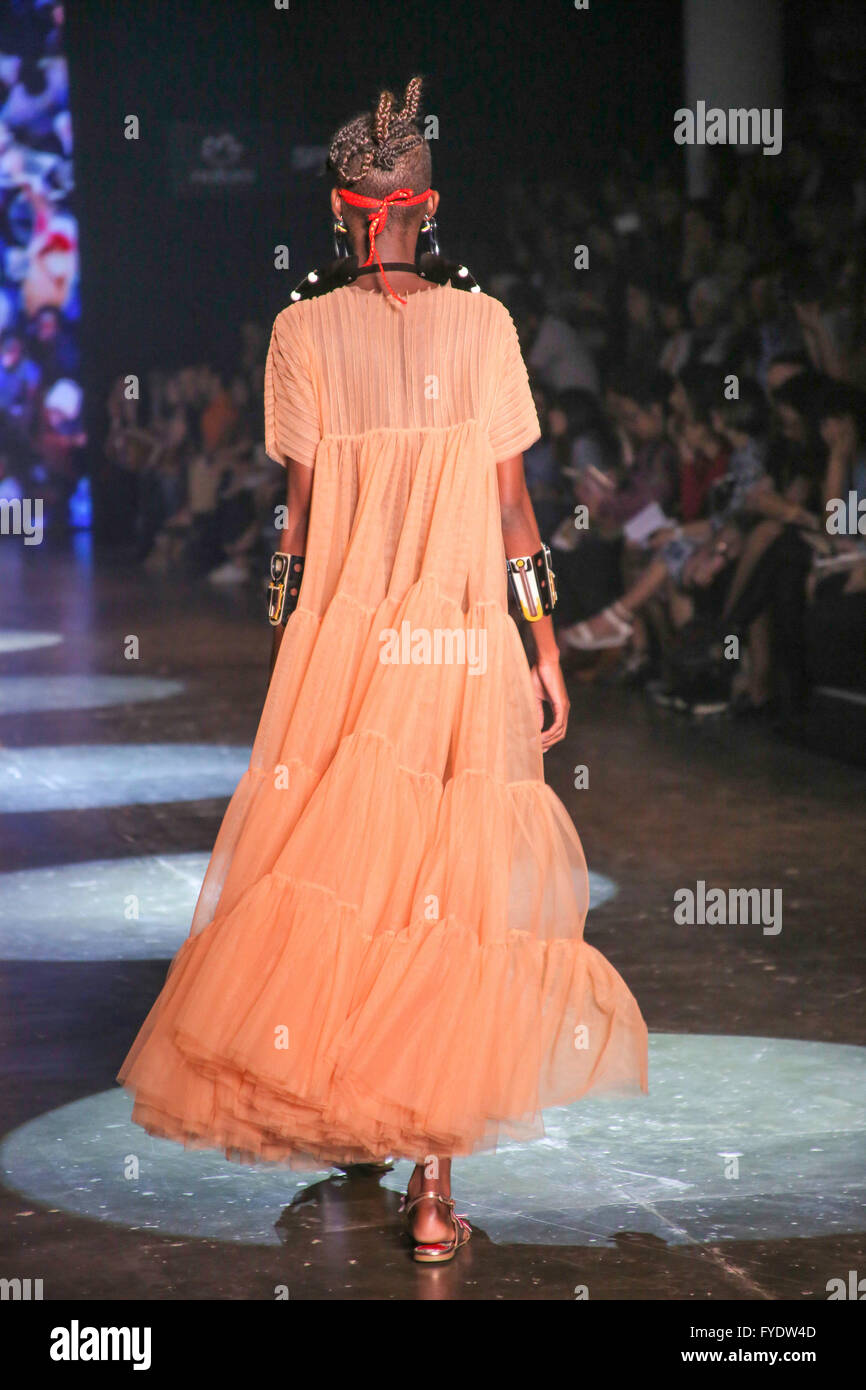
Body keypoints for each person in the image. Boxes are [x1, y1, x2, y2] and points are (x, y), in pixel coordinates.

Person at [117, 77, 648, 1265]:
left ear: (344, 214)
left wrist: (287, 639)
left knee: (344, 877)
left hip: (347, 641)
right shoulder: (487, 326)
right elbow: (517, 515)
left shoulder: (301, 334)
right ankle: (430, 1193)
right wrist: (547, 646)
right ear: (425, 206)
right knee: (447, 896)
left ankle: (358, 1096)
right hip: (460, 639)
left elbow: (295, 530)